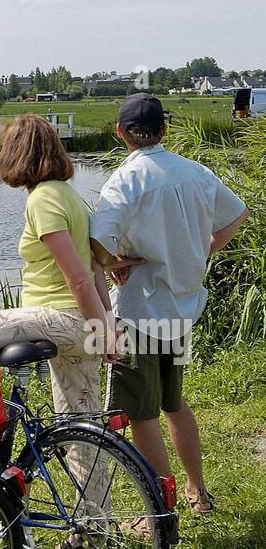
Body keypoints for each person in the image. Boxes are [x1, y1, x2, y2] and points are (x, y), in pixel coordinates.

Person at [90, 94, 248, 515]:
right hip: (181, 309)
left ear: (120, 131)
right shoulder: (195, 171)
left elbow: (95, 243)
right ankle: (197, 491)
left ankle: (160, 509)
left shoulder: (124, 180)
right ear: (165, 129)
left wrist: (112, 263)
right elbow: (238, 213)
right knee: (174, 403)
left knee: (140, 415)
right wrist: (204, 248)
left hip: (139, 308)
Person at [0, 115, 117, 479]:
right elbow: (96, 267)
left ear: (17, 154)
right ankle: (94, 529)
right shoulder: (72, 196)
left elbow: (79, 278)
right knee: (81, 433)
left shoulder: (43, 200)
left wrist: (103, 327)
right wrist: (106, 322)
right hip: (81, 326)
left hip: (61, 319)